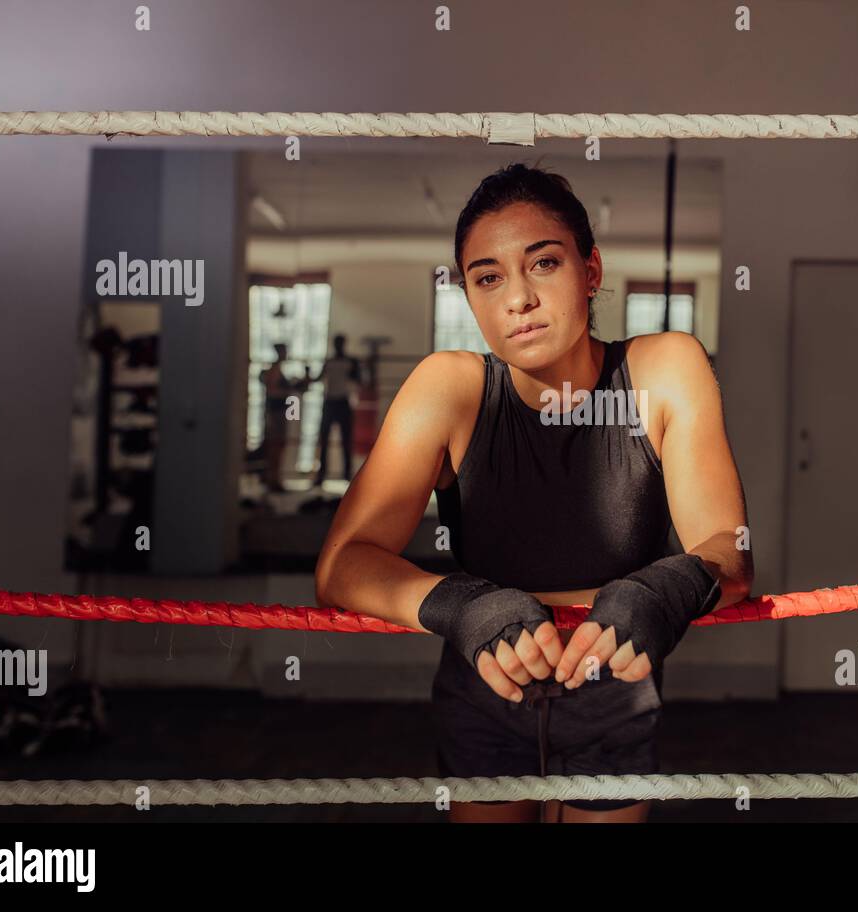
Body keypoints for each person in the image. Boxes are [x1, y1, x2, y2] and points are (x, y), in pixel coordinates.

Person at [315, 163, 752, 823]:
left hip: (615, 687)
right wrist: (465, 607)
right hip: (486, 688)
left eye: (543, 264)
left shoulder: (664, 369)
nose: (517, 298)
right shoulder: (449, 388)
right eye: (487, 278)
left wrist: (660, 590)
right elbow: (342, 565)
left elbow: (732, 552)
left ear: (591, 270)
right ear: (470, 297)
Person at [308, 334, 360, 485]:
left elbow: (359, 379)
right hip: (330, 401)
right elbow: (318, 378)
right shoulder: (329, 361)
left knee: (346, 439)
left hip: (343, 401)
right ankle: (322, 473)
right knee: (324, 439)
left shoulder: (350, 361)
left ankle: (347, 473)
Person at [260, 343, 296, 492]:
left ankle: (274, 479)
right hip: (275, 414)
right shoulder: (274, 370)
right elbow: (273, 391)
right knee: (275, 447)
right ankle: (272, 480)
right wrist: (289, 389)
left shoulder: (277, 369)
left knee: (278, 446)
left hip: (279, 413)